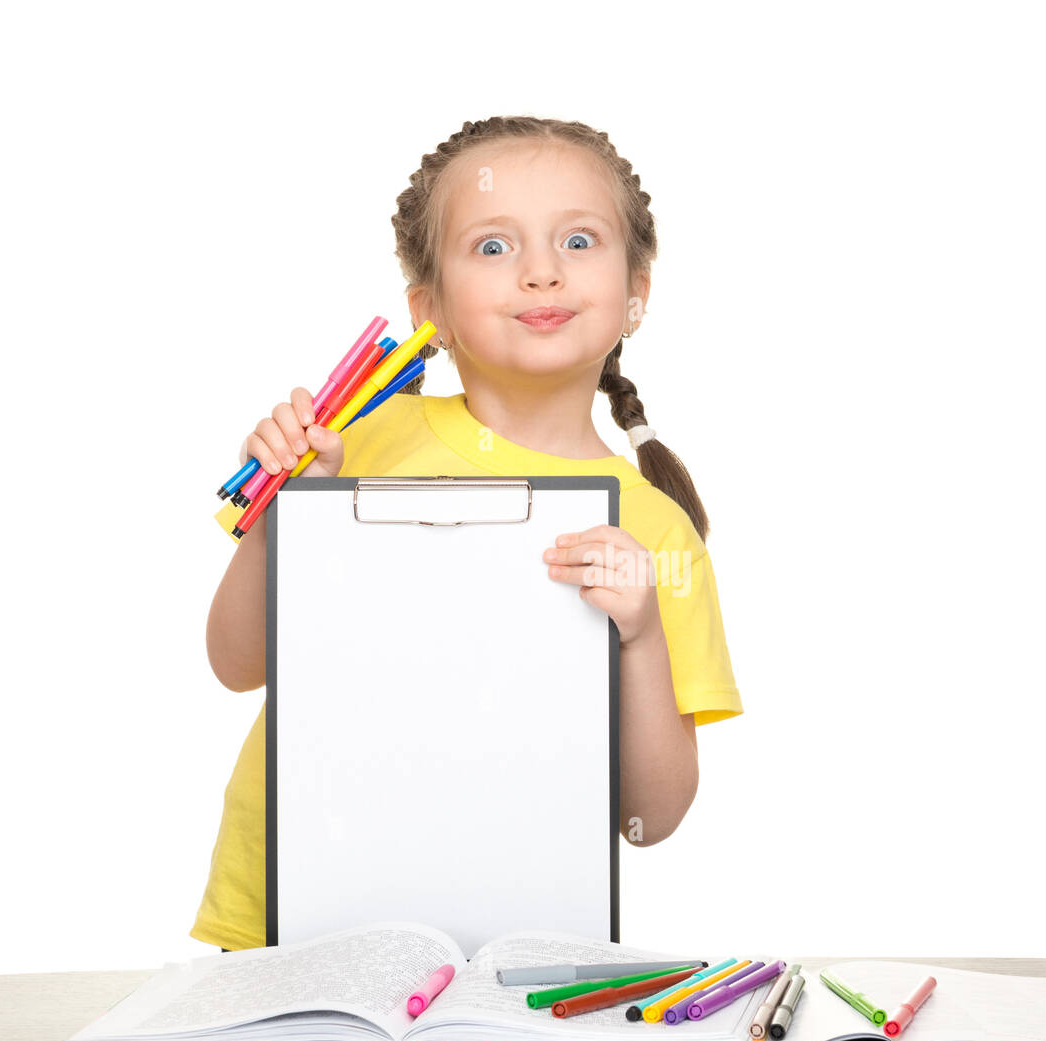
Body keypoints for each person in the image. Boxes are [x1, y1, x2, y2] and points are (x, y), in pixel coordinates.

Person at [194, 116, 743, 953]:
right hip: (288, 914)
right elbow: (237, 665)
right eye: (493, 247)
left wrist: (638, 640)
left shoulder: (656, 529)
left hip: (518, 939)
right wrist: (285, 517)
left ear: (637, 292)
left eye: (580, 240)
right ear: (430, 311)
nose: (541, 271)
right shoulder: (357, 441)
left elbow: (649, 817)